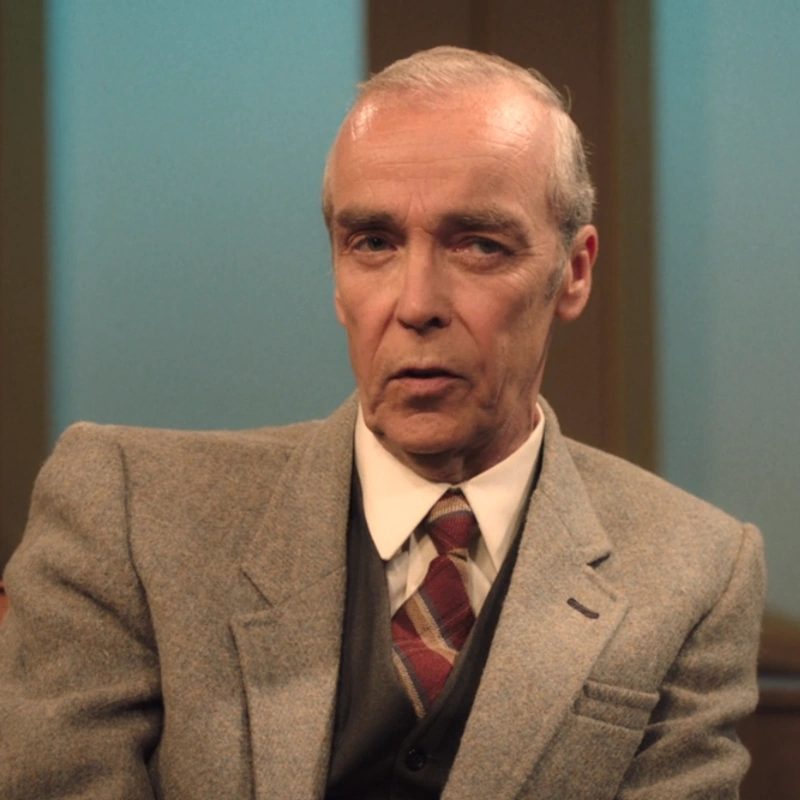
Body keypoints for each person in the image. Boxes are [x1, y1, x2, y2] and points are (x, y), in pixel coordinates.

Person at [0, 46, 764, 799]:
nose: (416, 303)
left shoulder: (695, 568)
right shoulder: (129, 513)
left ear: (575, 271)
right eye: (373, 244)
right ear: (337, 279)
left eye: (479, 245)